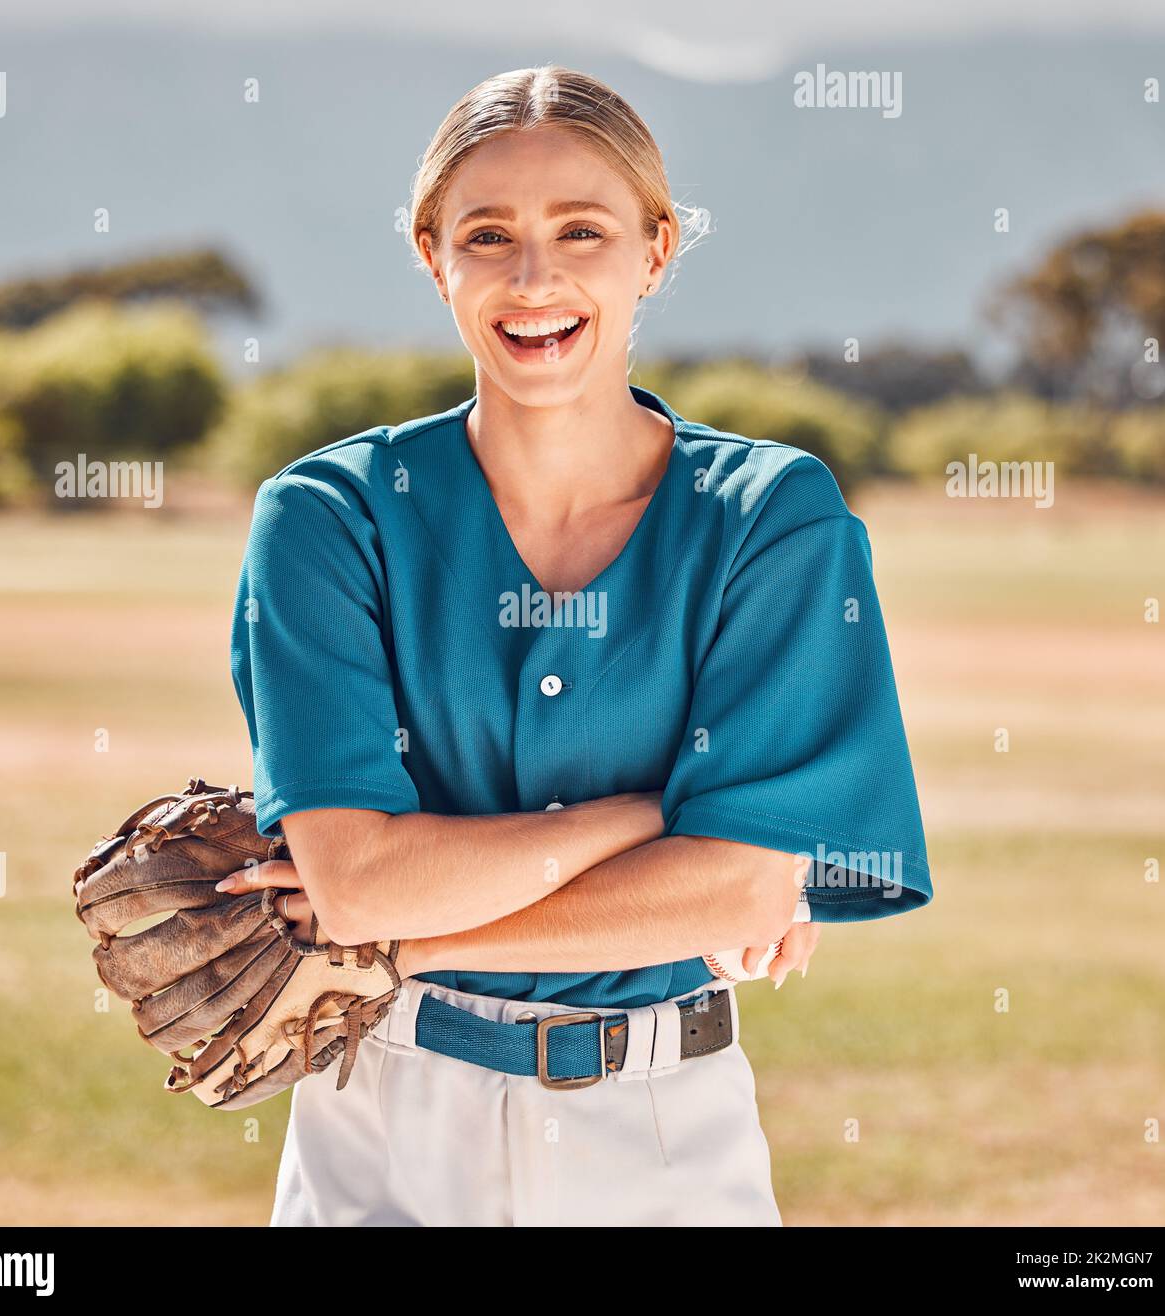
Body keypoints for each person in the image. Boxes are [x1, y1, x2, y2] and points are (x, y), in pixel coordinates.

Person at [217, 64, 933, 1227]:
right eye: (487, 233)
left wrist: (405, 930)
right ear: (430, 252)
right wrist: (663, 816)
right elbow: (352, 880)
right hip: (384, 1126)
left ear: (654, 250)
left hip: (662, 1135)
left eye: (582, 230)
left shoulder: (769, 515)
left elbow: (741, 883)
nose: (533, 277)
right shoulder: (330, 515)